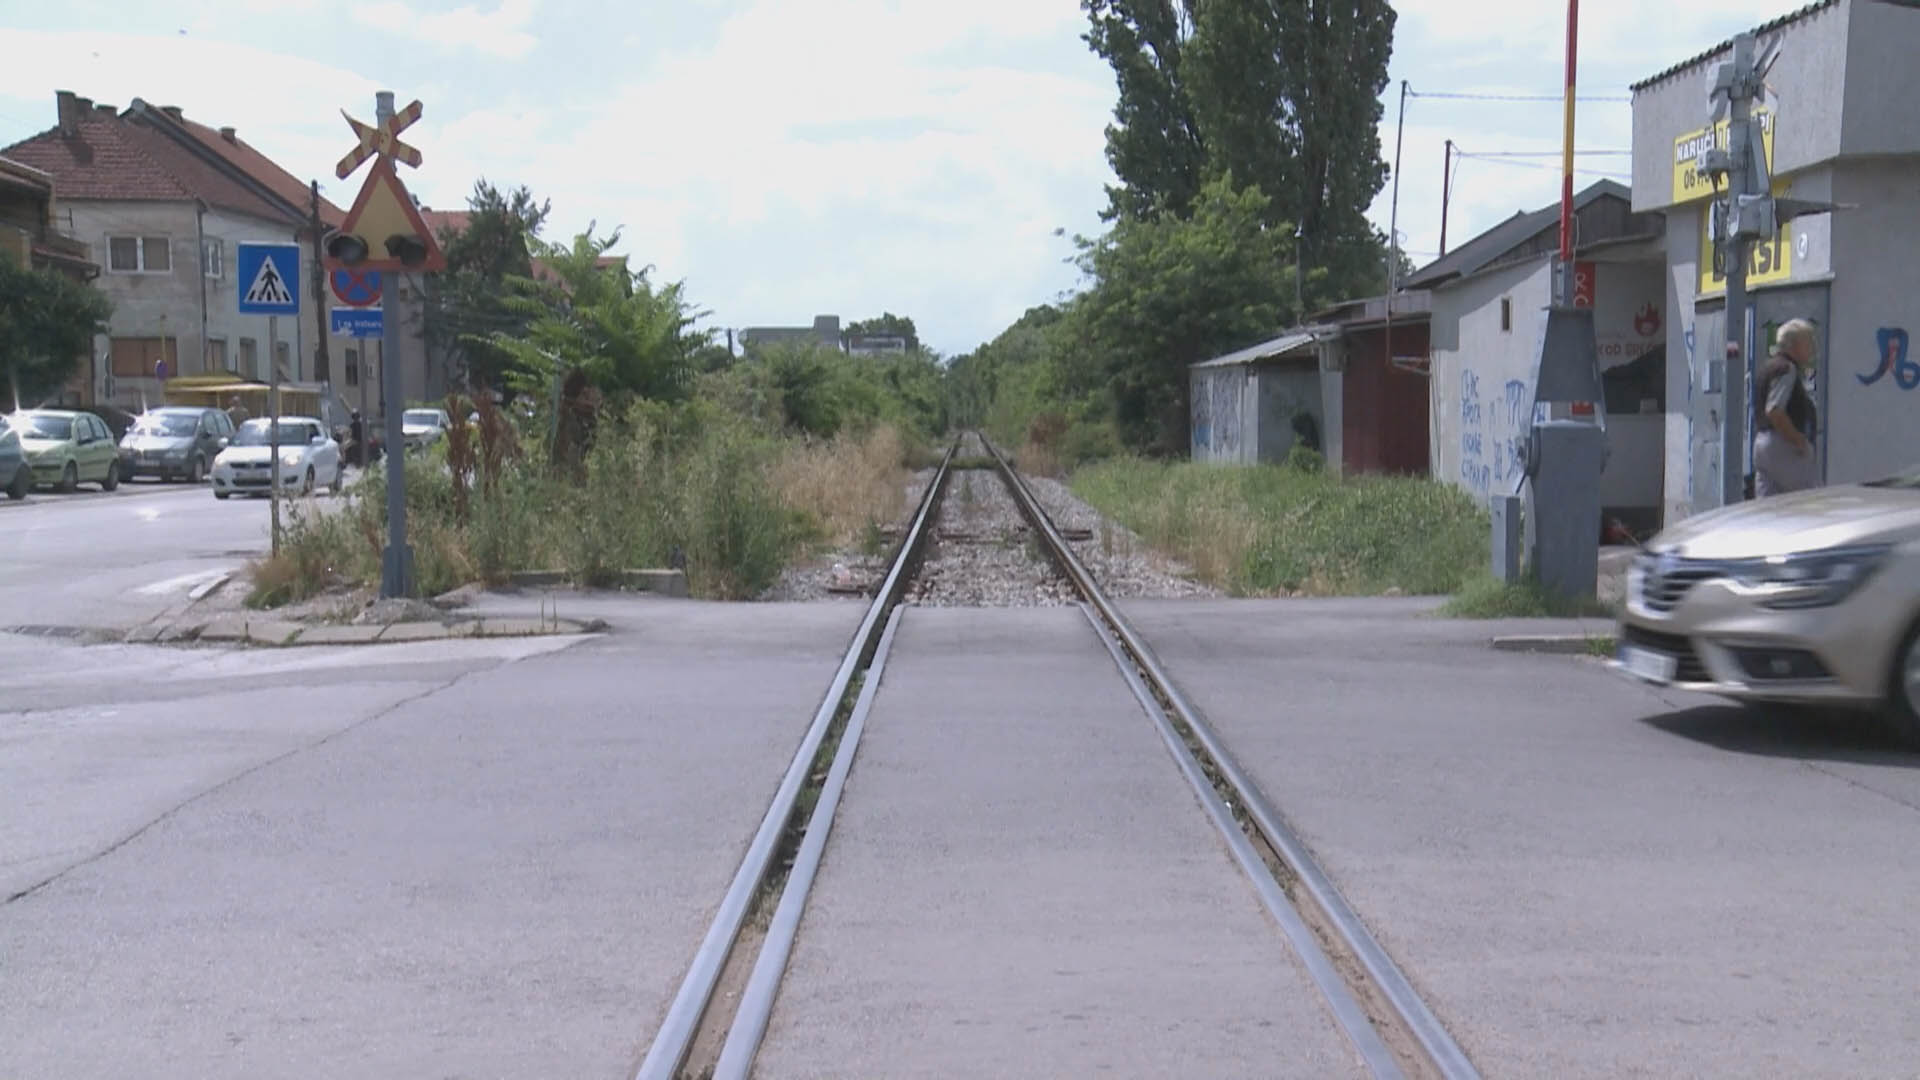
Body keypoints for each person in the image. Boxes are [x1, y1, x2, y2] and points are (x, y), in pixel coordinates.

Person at [1752, 318, 1820, 497]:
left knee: (1769, 505)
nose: (1812, 348)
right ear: (1794, 345)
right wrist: (1799, 440)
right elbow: (1774, 410)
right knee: (1802, 501)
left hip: (1762, 443)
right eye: (1808, 342)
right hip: (1783, 444)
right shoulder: (1787, 369)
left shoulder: (1767, 368)